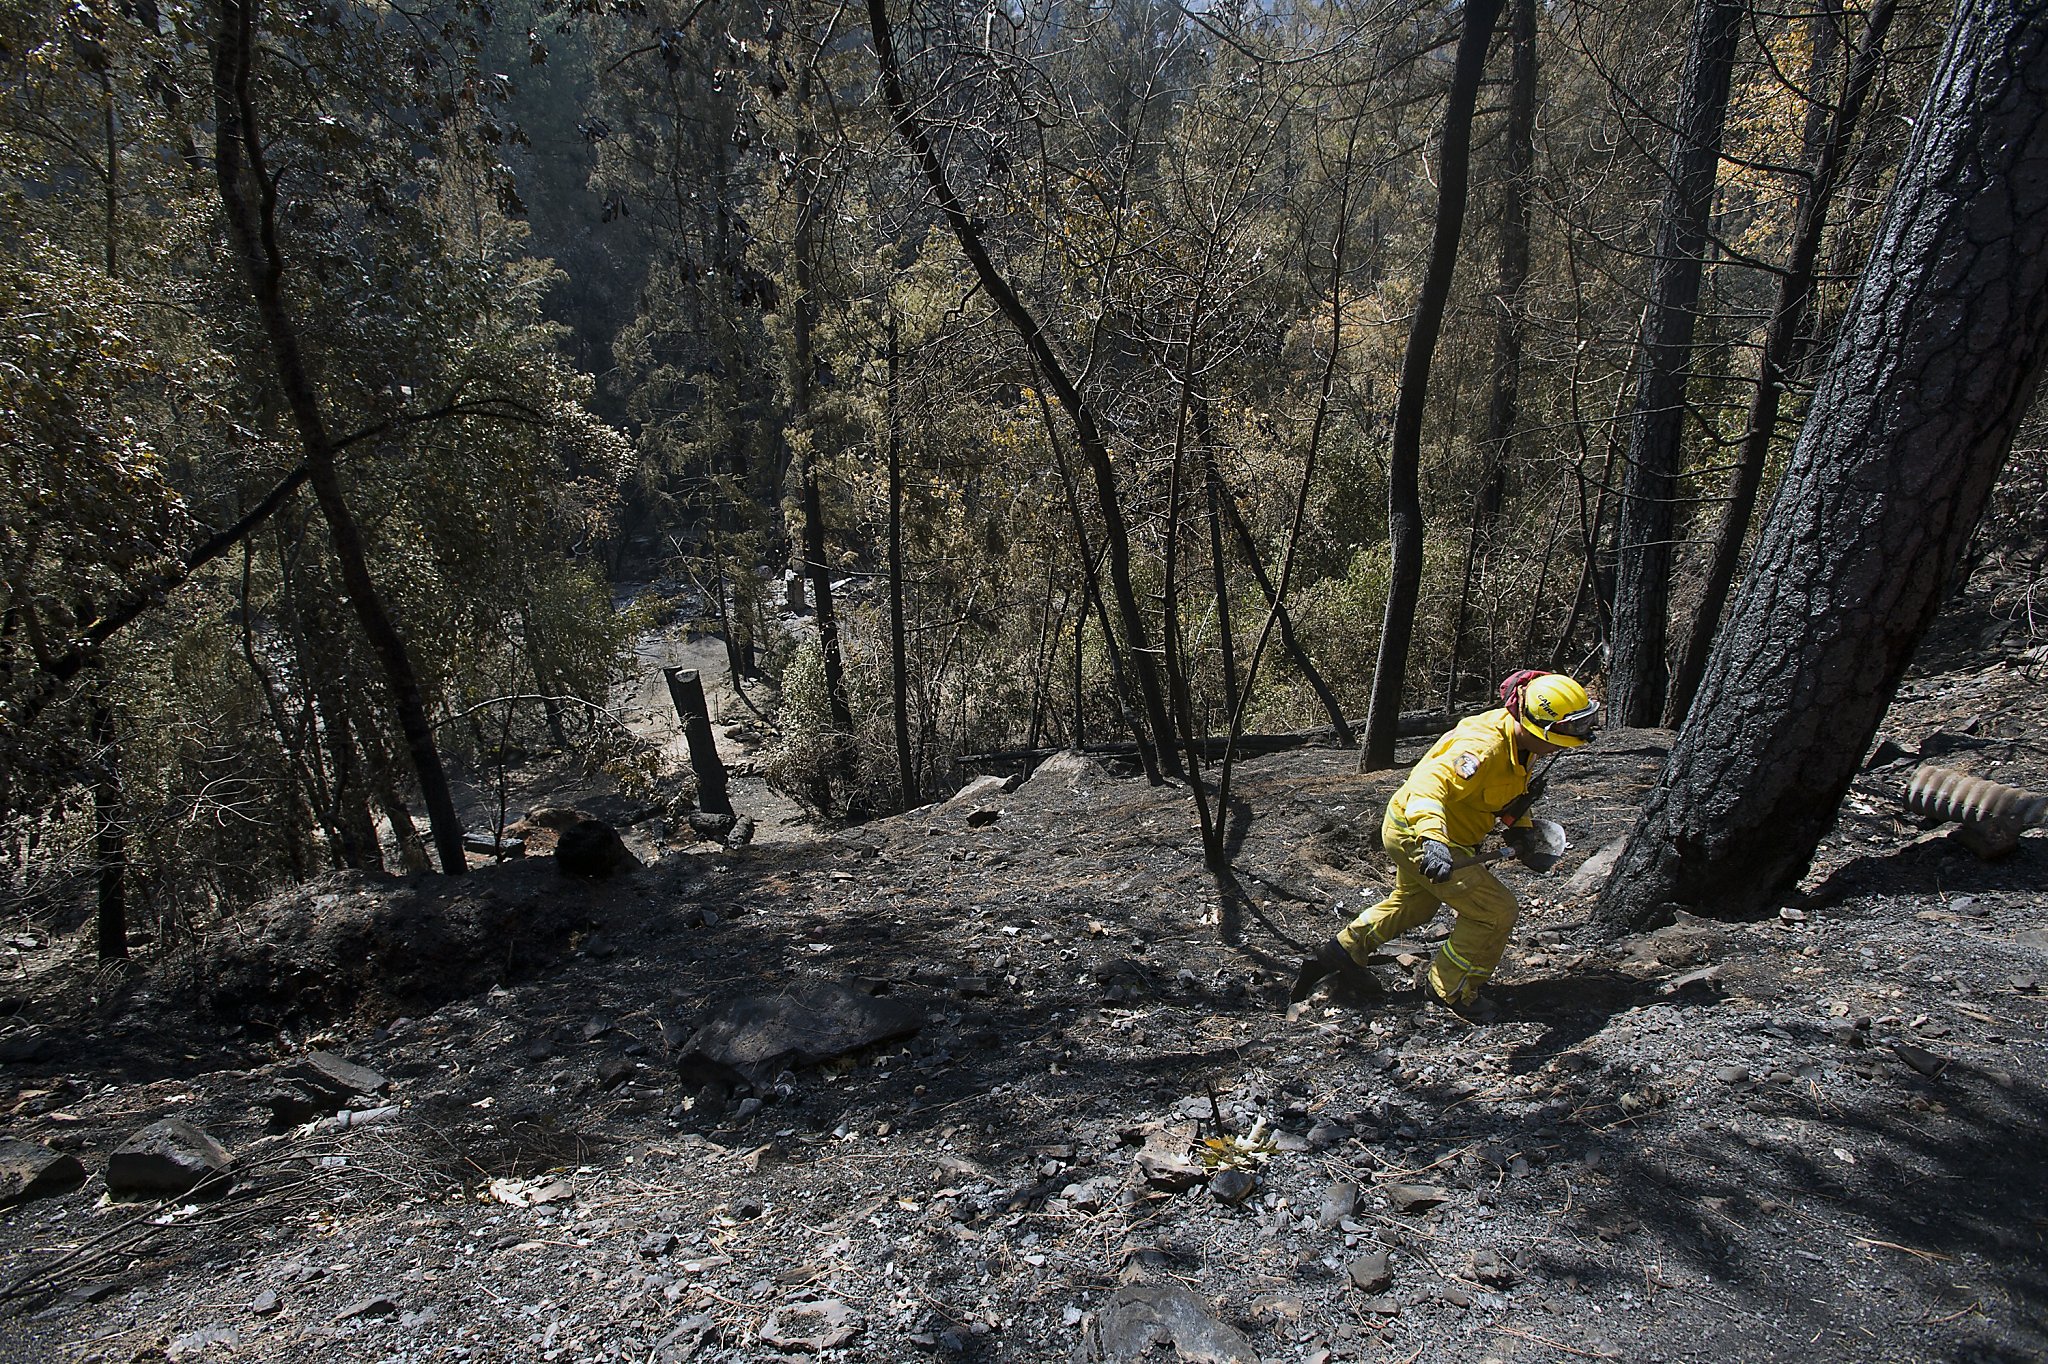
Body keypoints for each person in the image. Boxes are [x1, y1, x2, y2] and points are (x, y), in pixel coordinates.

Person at [1290, 671, 1600, 1022]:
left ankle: (1343, 951)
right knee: (1495, 912)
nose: (1566, 744)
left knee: (1415, 904)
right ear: (1536, 724)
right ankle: (1450, 989)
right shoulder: (1482, 748)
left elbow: (1504, 792)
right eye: (1565, 734)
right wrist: (1434, 840)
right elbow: (1427, 788)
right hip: (1421, 833)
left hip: (1416, 828)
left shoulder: (1522, 744)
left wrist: (1521, 829)